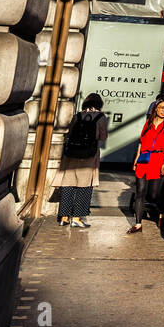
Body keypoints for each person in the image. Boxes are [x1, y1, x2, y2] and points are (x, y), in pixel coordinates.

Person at [51, 93, 108, 228]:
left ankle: (64, 217)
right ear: (99, 104)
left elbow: (70, 134)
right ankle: (76, 218)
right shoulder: (101, 117)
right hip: (88, 155)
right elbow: (103, 137)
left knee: (68, 184)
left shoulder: (78, 116)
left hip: (71, 154)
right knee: (84, 186)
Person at [128, 97, 164, 234]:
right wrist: (136, 160)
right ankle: (138, 223)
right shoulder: (148, 122)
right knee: (140, 191)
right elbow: (141, 142)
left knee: (154, 194)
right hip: (144, 160)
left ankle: (162, 211)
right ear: (156, 108)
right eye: (161, 107)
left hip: (158, 160)